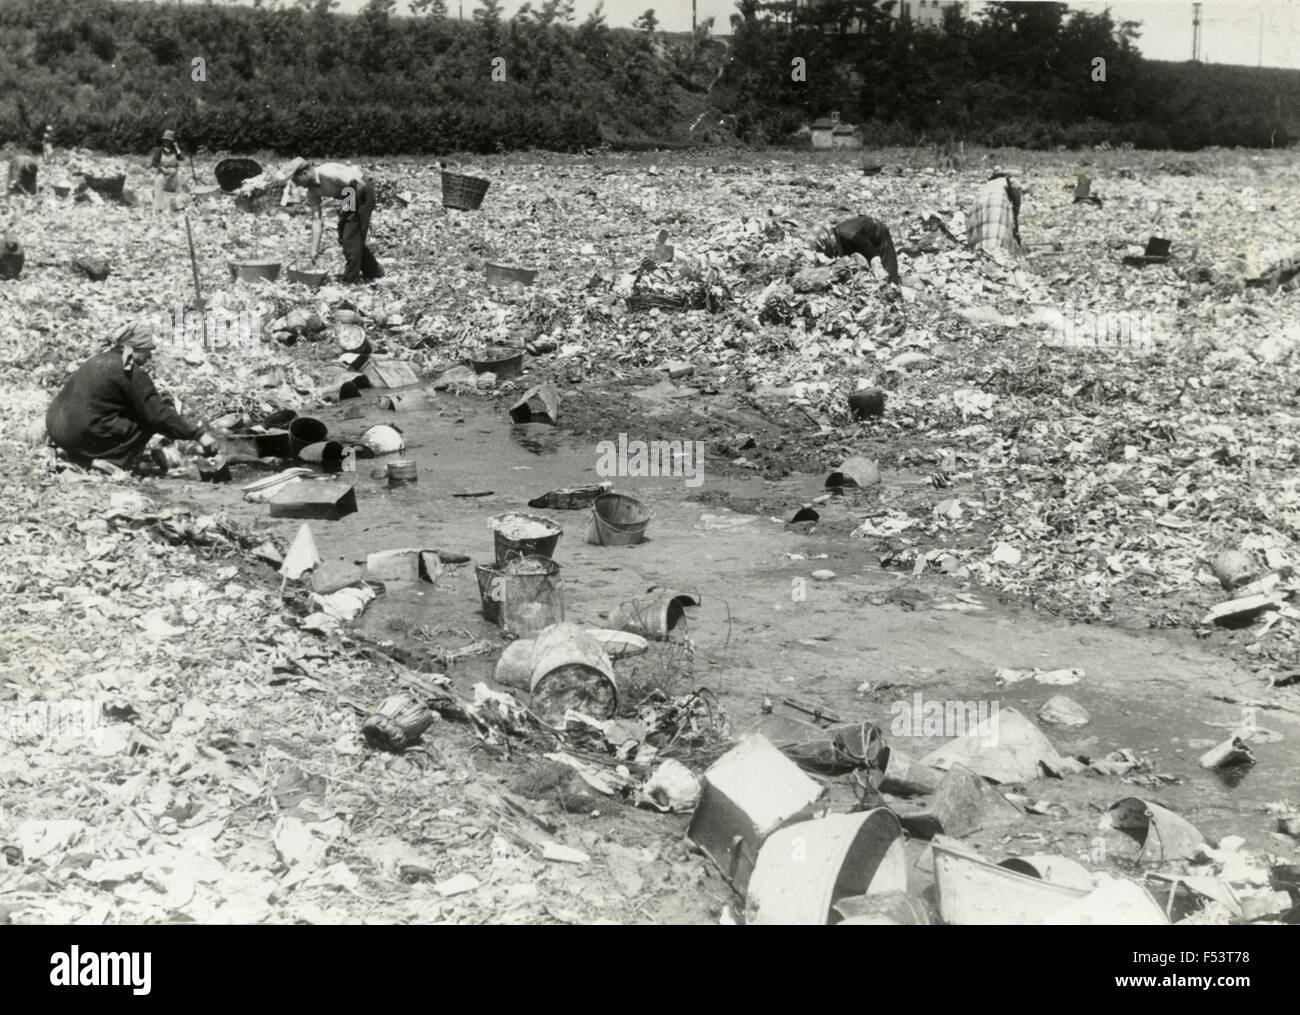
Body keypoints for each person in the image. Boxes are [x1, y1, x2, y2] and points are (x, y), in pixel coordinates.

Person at [45, 320, 218, 474]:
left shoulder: (98, 358)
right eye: (147, 350)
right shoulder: (129, 370)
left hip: (57, 431)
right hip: (79, 434)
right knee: (148, 422)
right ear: (135, 348)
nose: (149, 356)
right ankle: (113, 462)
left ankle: (81, 456)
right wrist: (199, 434)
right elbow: (158, 415)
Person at [280, 157, 383, 284]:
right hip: (350, 196)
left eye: (296, 180)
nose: (296, 184)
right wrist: (314, 250)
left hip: (362, 191)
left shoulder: (327, 172)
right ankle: (374, 272)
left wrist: (345, 211)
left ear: (305, 173)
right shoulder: (312, 191)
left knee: (349, 238)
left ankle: (350, 279)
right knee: (346, 237)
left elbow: (355, 184)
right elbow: (317, 219)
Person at [811, 216, 901, 284]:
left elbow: (873, 256)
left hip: (877, 234)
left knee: (888, 272)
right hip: (859, 237)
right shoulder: (839, 236)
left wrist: (879, 271)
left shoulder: (850, 236)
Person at [967, 170, 1023, 257]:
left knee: (980, 233)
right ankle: (996, 256)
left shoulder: (987, 185)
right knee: (997, 232)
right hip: (996, 201)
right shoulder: (1010, 180)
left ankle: (979, 255)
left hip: (977, 205)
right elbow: (1016, 201)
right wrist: (1015, 226)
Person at [149, 129, 188, 214]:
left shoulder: (175, 150)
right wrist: (161, 168)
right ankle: (158, 210)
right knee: (159, 188)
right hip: (162, 173)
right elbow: (154, 162)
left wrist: (177, 147)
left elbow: (181, 158)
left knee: (176, 191)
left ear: (172, 142)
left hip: (173, 175)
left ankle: (173, 209)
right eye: (165, 141)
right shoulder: (159, 151)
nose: (166, 143)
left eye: (168, 141)